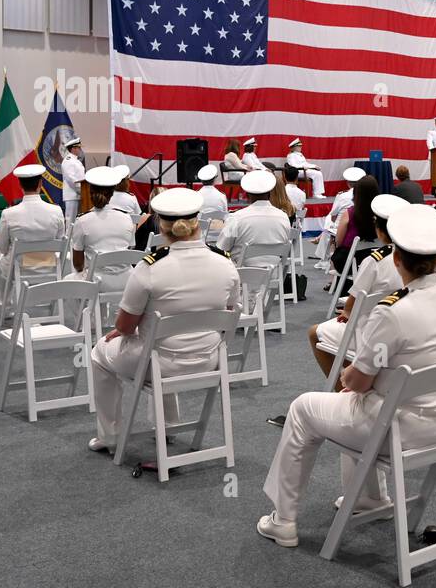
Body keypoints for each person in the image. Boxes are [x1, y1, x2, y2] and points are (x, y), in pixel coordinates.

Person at [258, 205, 436, 542]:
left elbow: (358, 381)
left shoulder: (392, 312)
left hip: (396, 430)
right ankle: (369, 495)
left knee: (305, 408)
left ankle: (283, 519)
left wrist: (348, 379)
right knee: (364, 400)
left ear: (398, 261)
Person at [87, 188, 239, 454]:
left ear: (160, 224)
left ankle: (109, 436)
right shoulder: (225, 263)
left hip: (160, 362)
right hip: (209, 359)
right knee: (161, 341)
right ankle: (168, 425)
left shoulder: (150, 267)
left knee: (100, 353)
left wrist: (123, 330)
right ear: (198, 221)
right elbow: (229, 311)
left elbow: (124, 327)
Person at [309, 192, 408, 385]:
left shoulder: (375, 260)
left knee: (314, 333)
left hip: (371, 328)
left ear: (379, 230)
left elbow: (353, 301)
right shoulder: (411, 257)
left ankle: (343, 388)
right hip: (403, 322)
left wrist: (346, 311)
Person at [0, 164, 65, 296]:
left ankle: (5, 305)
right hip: (49, 265)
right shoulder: (56, 211)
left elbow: (2, 248)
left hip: (19, 267)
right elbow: (61, 240)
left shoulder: (8, 214)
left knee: (3, 261)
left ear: (20, 185)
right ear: (40, 184)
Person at [67, 167, 135, 293]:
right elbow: (130, 250)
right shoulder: (126, 218)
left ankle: (83, 313)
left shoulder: (82, 221)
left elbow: (78, 265)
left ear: (90, 192)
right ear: (112, 193)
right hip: (127, 281)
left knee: (67, 282)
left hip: (97, 282)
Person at [217, 170, 291, 266]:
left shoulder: (236, 218)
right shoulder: (283, 217)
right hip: (274, 274)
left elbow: (221, 248)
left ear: (247, 195)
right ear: (269, 194)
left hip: (241, 276)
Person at [328, 174, 378, 279]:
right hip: (376, 260)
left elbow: (339, 241)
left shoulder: (350, 213)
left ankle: (332, 283)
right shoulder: (380, 213)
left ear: (357, 193)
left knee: (335, 250)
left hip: (350, 262)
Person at [61, 137, 85, 223]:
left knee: (77, 220)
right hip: (72, 194)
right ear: (73, 148)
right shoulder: (68, 160)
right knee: (70, 220)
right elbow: (71, 178)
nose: (80, 150)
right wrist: (80, 190)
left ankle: (74, 236)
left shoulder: (75, 160)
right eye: (79, 148)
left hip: (78, 194)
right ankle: (68, 236)